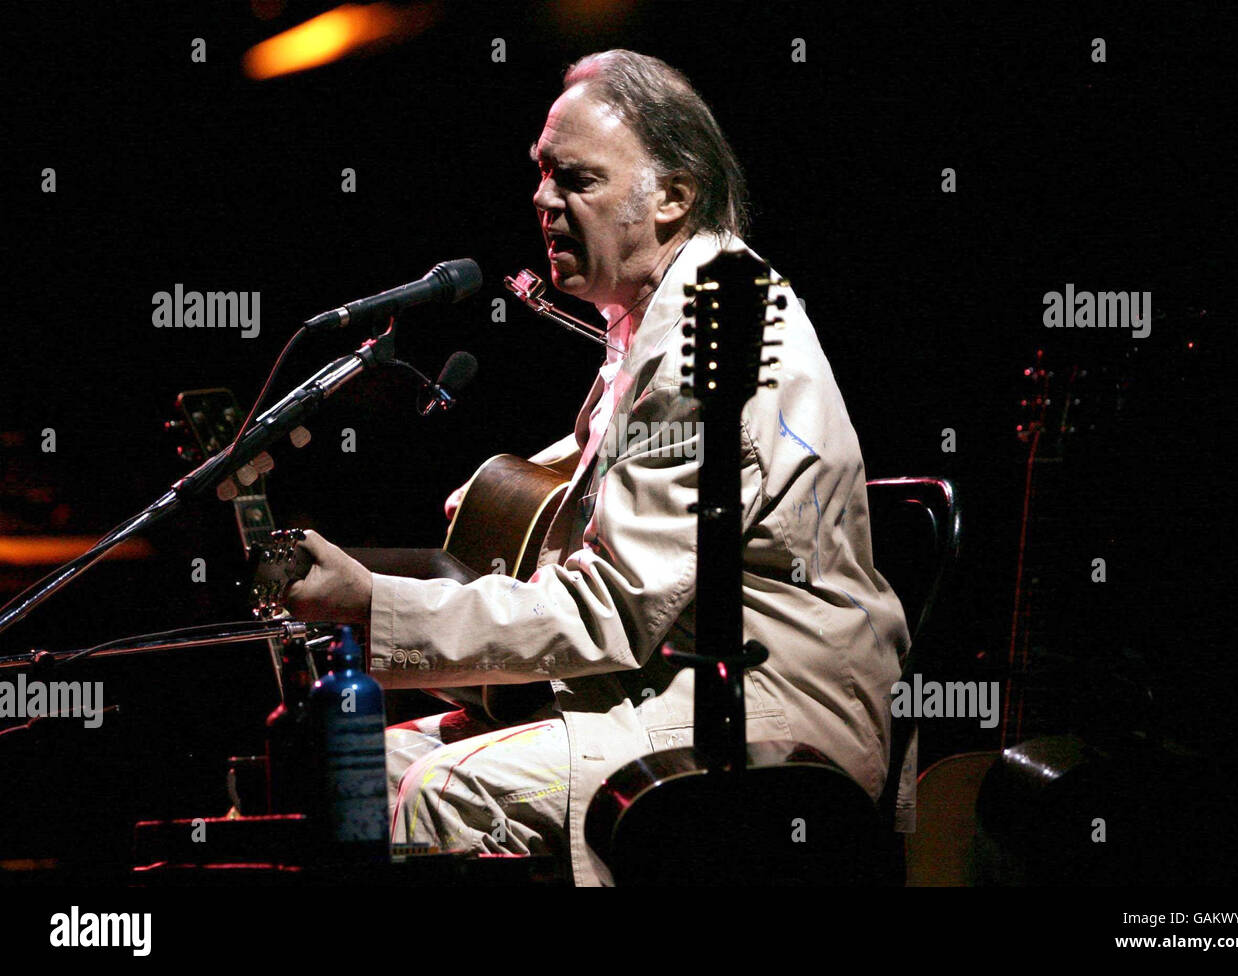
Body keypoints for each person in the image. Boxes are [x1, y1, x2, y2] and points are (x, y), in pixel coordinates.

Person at [285, 49, 911, 886]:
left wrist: (378, 606)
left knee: (442, 792)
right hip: (663, 687)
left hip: (771, 719)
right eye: (542, 174)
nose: (543, 199)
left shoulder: (707, 337)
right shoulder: (662, 311)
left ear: (674, 195)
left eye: (577, 179)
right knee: (371, 764)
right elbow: (638, 461)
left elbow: (608, 612)